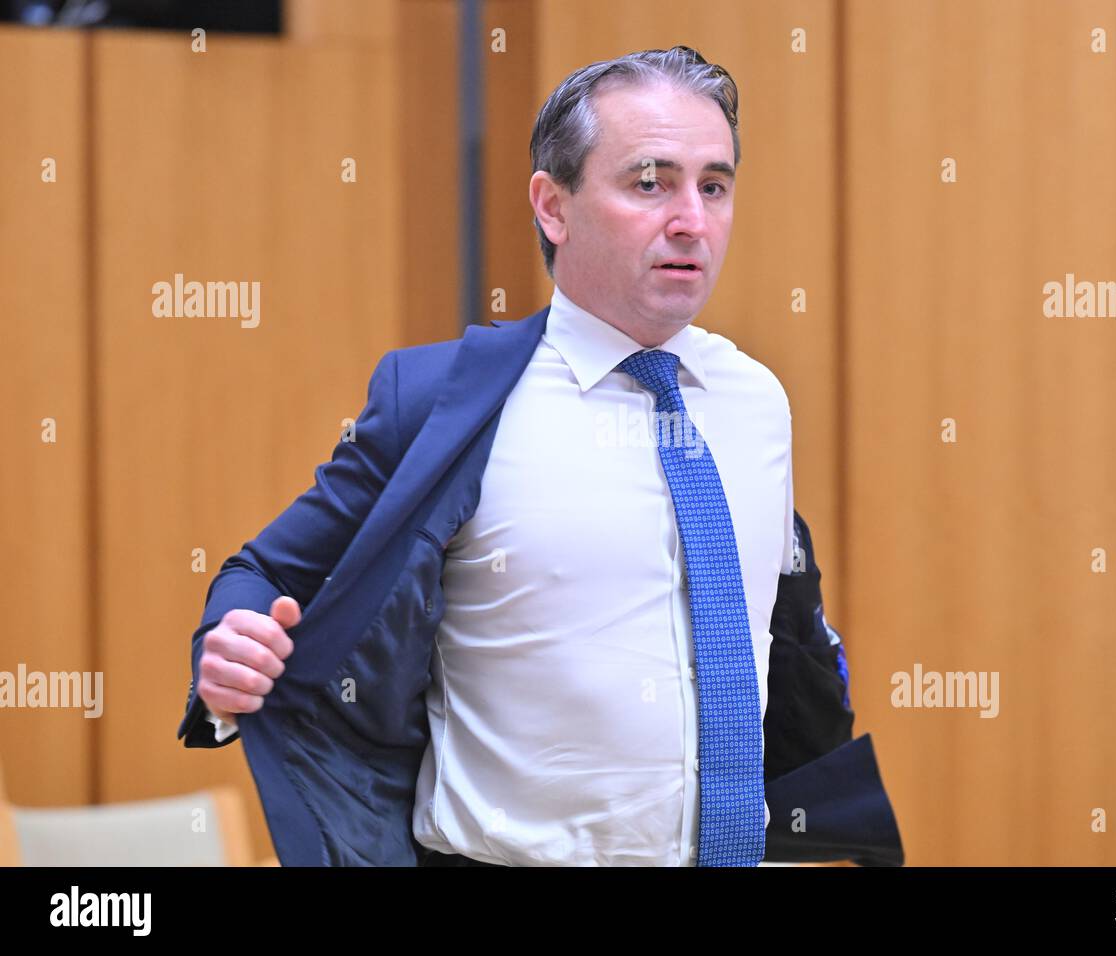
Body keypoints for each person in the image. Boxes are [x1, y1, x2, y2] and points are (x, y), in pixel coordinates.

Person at [179, 45, 901, 867]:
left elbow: (780, 631)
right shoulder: (449, 400)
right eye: (649, 182)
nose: (692, 220)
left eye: (714, 185)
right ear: (553, 207)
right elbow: (265, 573)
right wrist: (228, 642)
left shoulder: (757, 402)